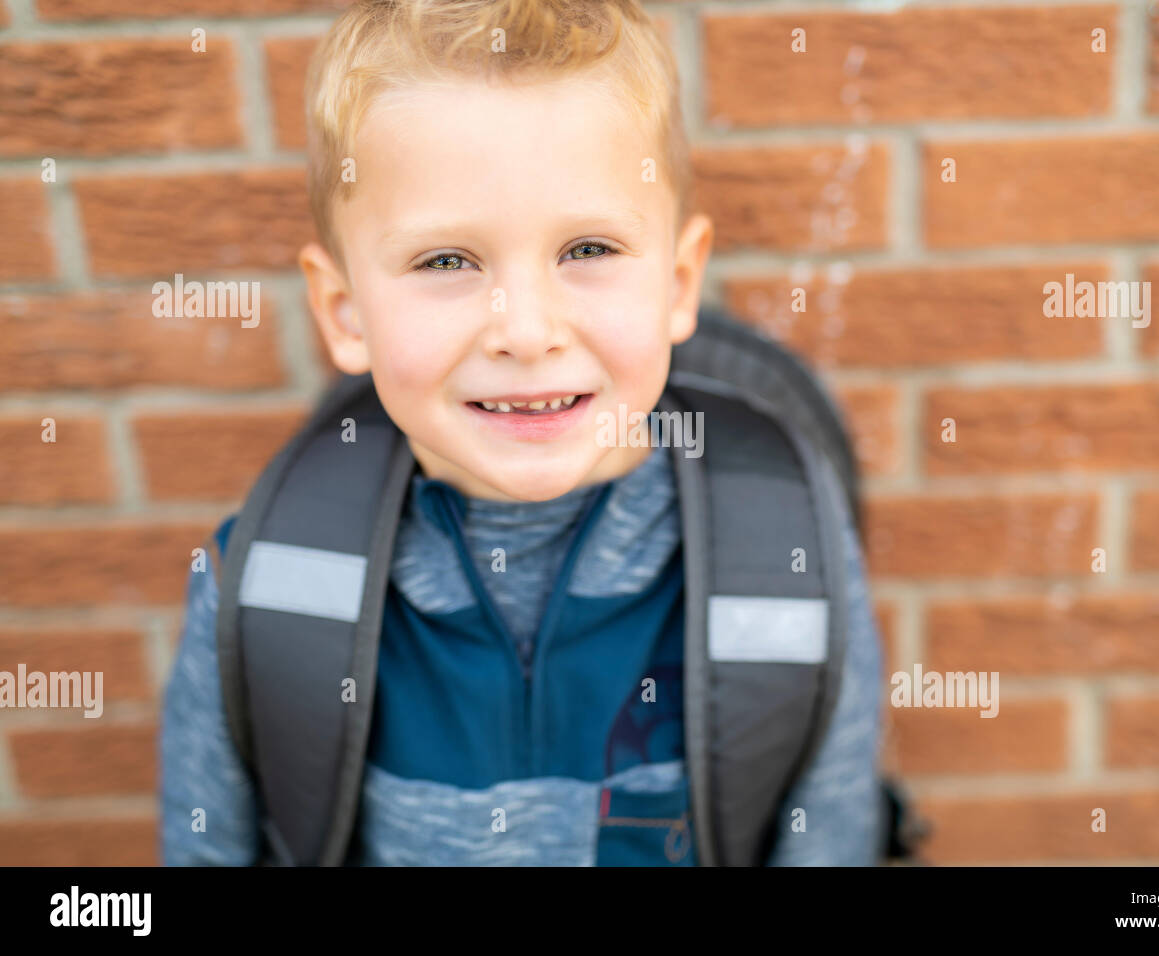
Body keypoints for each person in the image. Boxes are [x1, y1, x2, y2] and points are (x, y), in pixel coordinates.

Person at [159, 0, 885, 866]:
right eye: (446, 262)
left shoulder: (790, 561)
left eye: (587, 250)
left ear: (680, 282)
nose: (526, 330)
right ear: (345, 312)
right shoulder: (267, 585)